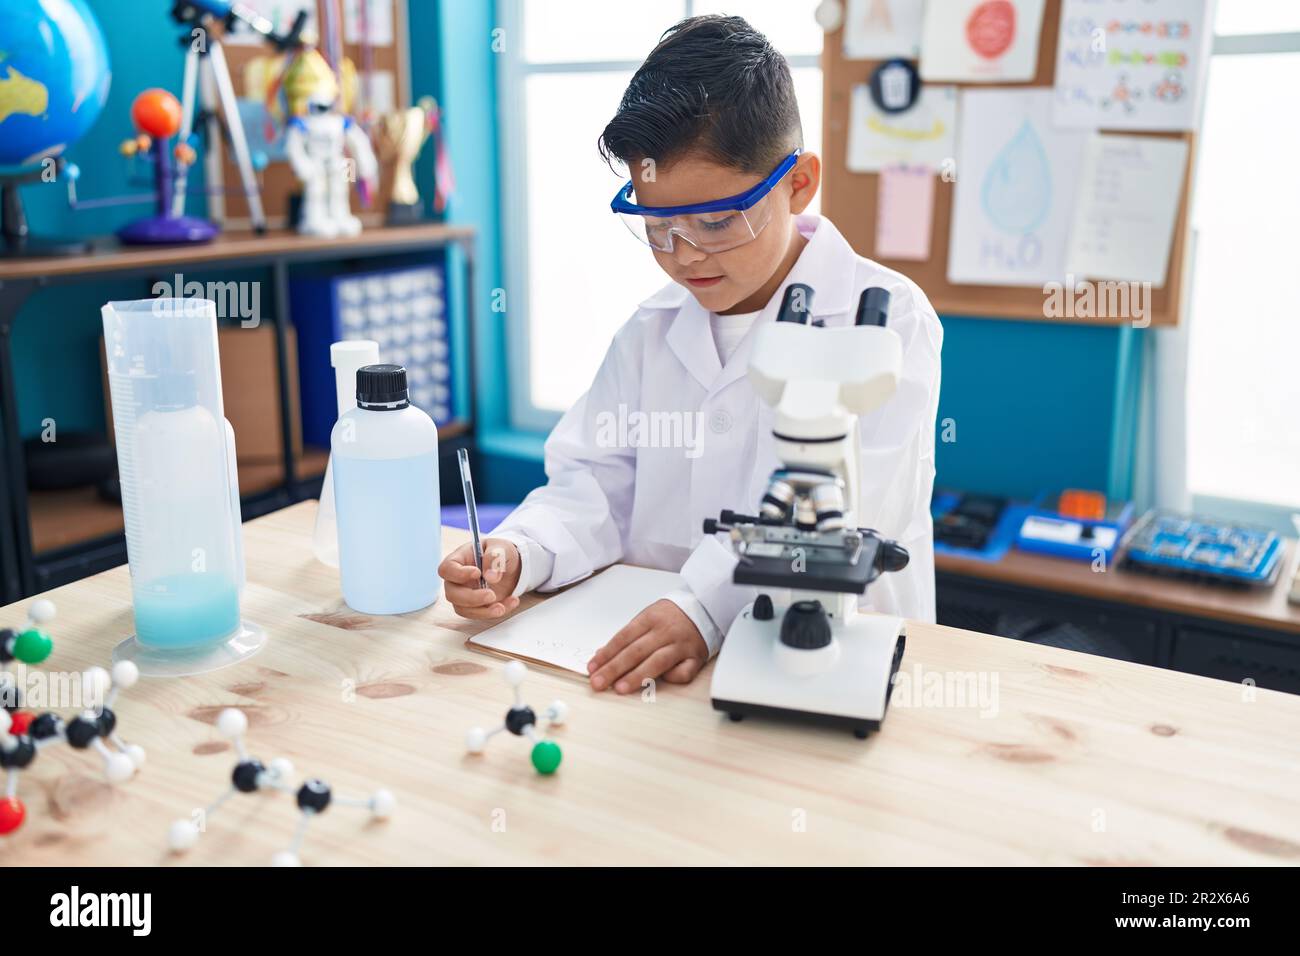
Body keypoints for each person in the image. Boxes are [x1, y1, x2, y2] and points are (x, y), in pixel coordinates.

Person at [438, 15, 942, 694]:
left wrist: (704, 606)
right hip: (653, 668)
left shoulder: (888, 320)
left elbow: (845, 515)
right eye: (657, 226)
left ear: (798, 183)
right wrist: (521, 552)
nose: (684, 255)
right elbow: (593, 485)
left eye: (714, 221)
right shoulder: (649, 331)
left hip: (828, 666)